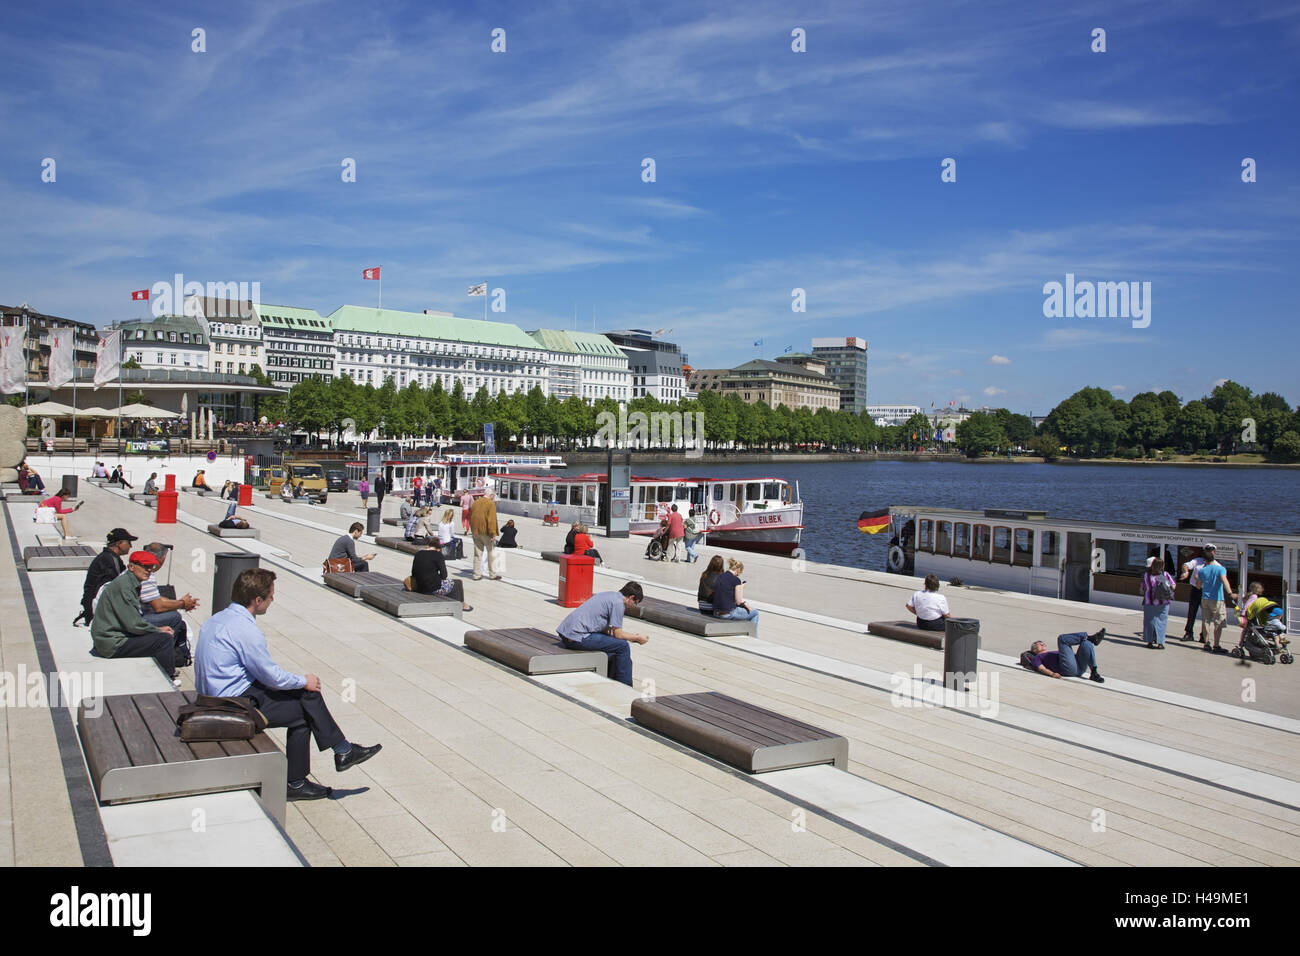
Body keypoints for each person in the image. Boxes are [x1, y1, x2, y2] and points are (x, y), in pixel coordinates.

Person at [195, 568, 382, 802]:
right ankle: (300, 780)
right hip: (232, 703)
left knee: (305, 695)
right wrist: (304, 680)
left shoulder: (219, 618)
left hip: (215, 694)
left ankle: (342, 751)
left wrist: (301, 684)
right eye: (271, 596)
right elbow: (270, 676)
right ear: (258, 600)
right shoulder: (246, 630)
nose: (273, 601)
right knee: (304, 713)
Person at [90, 551, 178, 684]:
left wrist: (156, 629)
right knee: (164, 640)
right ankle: (168, 678)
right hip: (112, 643)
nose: (148, 570)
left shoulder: (130, 582)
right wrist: (157, 630)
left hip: (112, 637)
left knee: (163, 632)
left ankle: (166, 665)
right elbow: (133, 625)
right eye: (144, 566)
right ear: (131, 567)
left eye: (151, 567)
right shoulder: (125, 587)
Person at [555, 582, 650, 686]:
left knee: (616, 651)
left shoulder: (608, 595)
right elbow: (618, 634)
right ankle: (626, 686)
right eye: (635, 603)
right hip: (577, 638)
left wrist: (628, 636)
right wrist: (637, 637)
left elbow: (606, 629)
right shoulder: (619, 603)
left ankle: (612, 681)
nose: (633, 606)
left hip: (566, 634)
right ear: (631, 597)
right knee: (623, 646)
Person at [139, 542, 200, 667]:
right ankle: (164, 660)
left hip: (135, 613)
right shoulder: (147, 574)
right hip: (136, 618)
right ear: (163, 558)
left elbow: (154, 597)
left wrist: (180, 603)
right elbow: (158, 606)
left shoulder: (142, 569)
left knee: (171, 612)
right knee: (175, 618)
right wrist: (182, 604)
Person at [76, 527, 138, 626]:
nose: (131, 546)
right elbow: (112, 589)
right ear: (119, 543)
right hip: (97, 611)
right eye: (129, 542)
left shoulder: (110, 558)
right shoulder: (109, 561)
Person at [1196, 544, 1238, 654]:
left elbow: (1198, 586)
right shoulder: (1221, 569)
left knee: (1206, 622)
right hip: (1217, 599)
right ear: (1213, 557)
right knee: (1218, 622)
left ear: (1204, 560)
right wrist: (1230, 593)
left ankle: (1206, 643)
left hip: (1205, 598)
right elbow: (1225, 581)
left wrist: (1197, 579)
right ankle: (1216, 644)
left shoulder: (1202, 571)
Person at [1019, 630, 1107, 683]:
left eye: (1042, 643)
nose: (1041, 643)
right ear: (1034, 650)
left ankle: (1094, 673)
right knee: (1062, 639)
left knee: (1086, 644)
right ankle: (1089, 637)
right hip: (1068, 670)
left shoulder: (1052, 653)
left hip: (1079, 668)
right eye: (1038, 644)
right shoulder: (1037, 657)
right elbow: (1041, 668)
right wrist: (1052, 674)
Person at [409, 541, 473, 612]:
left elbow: (413, 572)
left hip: (420, 587)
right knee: (457, 583)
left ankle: (454, 604)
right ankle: (461, 605)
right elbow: (444, 575)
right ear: (438, 549)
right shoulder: (438, 555)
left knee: (446, 584)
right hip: (431, 589)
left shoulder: (418, 553)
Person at [710, 558, 759, 626]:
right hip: (727, 614)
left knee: (741, 611)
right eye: (740, 572)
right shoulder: (736, 580)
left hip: (715, 612)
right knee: (755, 613)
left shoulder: (720, 576)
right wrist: (741, 588)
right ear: (738, 570)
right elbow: (739, 602)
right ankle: (753, 636)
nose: (739, 575)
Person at [1141, 557, 1176, 649]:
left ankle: (1149, 641)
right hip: (1164, 601)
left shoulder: (1146, 575)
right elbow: (1173, 586)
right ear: (1162, 566)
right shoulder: (1166, 574)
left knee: (1149, 622)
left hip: (1149, 601)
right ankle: (1160, 642)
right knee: (1162, 622)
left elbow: (1143, 588)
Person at [1179, 547, 1209, 641]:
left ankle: (1204, 635)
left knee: (1206, 614)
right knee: (1192, 612)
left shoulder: (1215, 565)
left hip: (1207, 591)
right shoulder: (1197, 561)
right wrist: (1186, 572)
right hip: (1196, 589)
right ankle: (1189, 633)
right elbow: (1185, 565)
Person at [469, 491, 500, 581]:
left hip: (475, 531)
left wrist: (473, 529)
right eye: (493, 496)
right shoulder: (490, 504)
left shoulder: (476, 502)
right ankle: (492, 574)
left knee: (477, 554)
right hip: (486, 532)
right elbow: (491, 519)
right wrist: (493, 533)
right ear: (491, 495)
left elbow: (471, 517)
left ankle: (476, 575)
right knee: (491, 553)